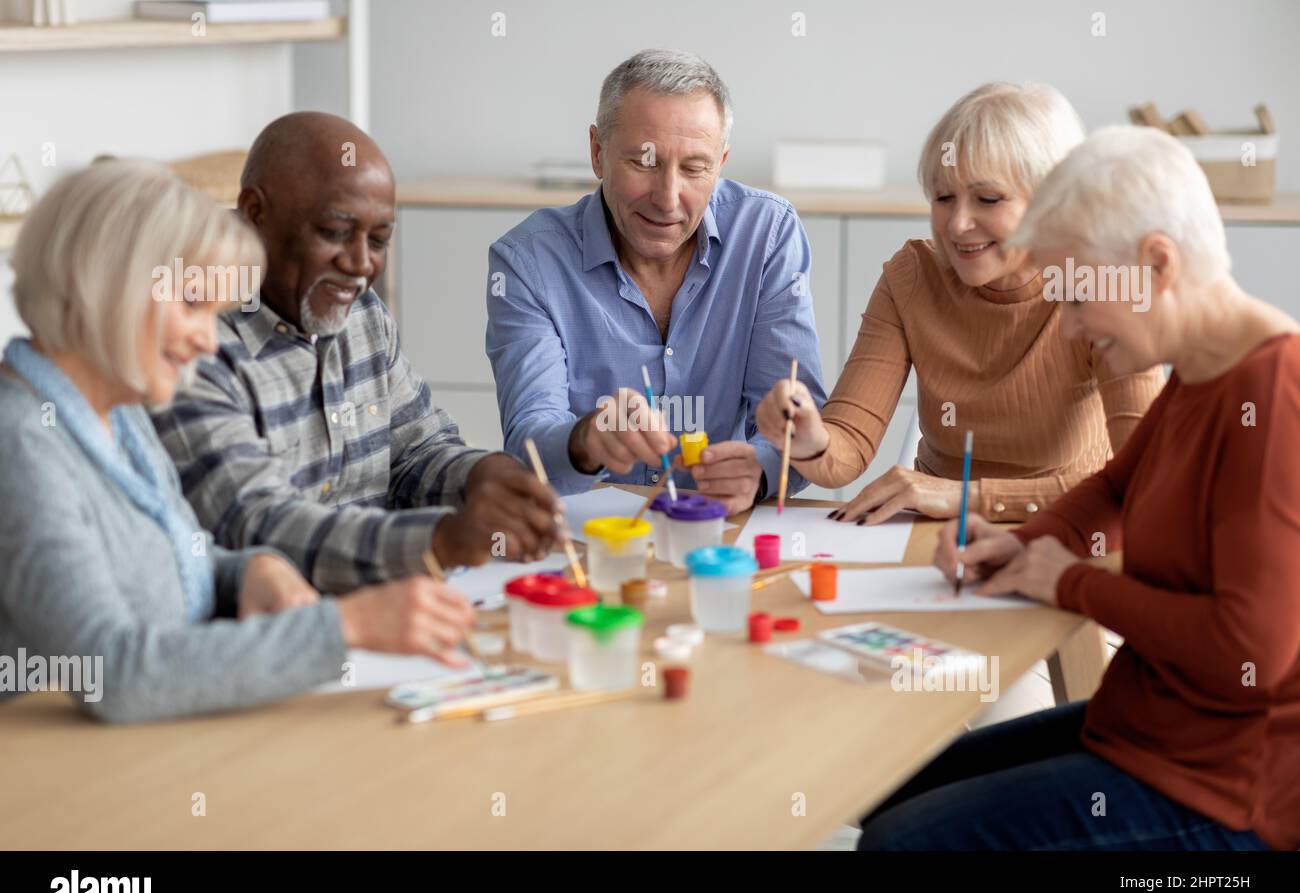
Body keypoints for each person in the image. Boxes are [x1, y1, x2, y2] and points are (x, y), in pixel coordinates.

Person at [860, 126, 1299, 850]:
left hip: (1227, 787)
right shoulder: (1204, 373)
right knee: (894, 788)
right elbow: (1113, 490)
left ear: (1156, 264)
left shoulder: (1274, 397)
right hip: (1153, 723)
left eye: (1077, 296)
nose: (1065, 326)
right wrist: (1021, 547)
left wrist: (1071, 584)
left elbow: (1248, 651)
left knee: (904, 842)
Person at [0, 161, 478, 723]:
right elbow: (112, 670)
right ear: (104, 286)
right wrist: (349, 623)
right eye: (193, 305)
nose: (209, 342)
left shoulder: (118, 414)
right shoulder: (22, 443)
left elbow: (170, 568)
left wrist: (251, 569)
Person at [153, 113, 563, 594]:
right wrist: (440, 541)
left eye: (379, 240)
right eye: (333, 231)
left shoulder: (361, 313)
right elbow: (254, 524)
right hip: (281, 627)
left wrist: (483, 475)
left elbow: (418, 452)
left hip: (391, 608)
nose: (361, 263)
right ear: (254, 212)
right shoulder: (192, 337)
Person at [757, 83, 1164, 525]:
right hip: (934, 537)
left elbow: (1144, 478)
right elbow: (847, 449)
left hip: (1067, 529)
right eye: (943, 197)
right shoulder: (912, 278)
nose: (958, 224)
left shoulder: (1107, 286)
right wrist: (811, 439)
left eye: (988, 199)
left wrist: (966, 497)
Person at [486, 49, 827, 514]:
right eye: (644, 162)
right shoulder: (528, 261)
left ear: (721, 163)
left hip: (718, 531)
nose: (668, 199)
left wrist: (763, 468)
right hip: (592, 537)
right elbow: (527, 448)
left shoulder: (767, 235)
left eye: (694, 168)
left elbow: (804, 429)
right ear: (597, 153)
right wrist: (586, 440)